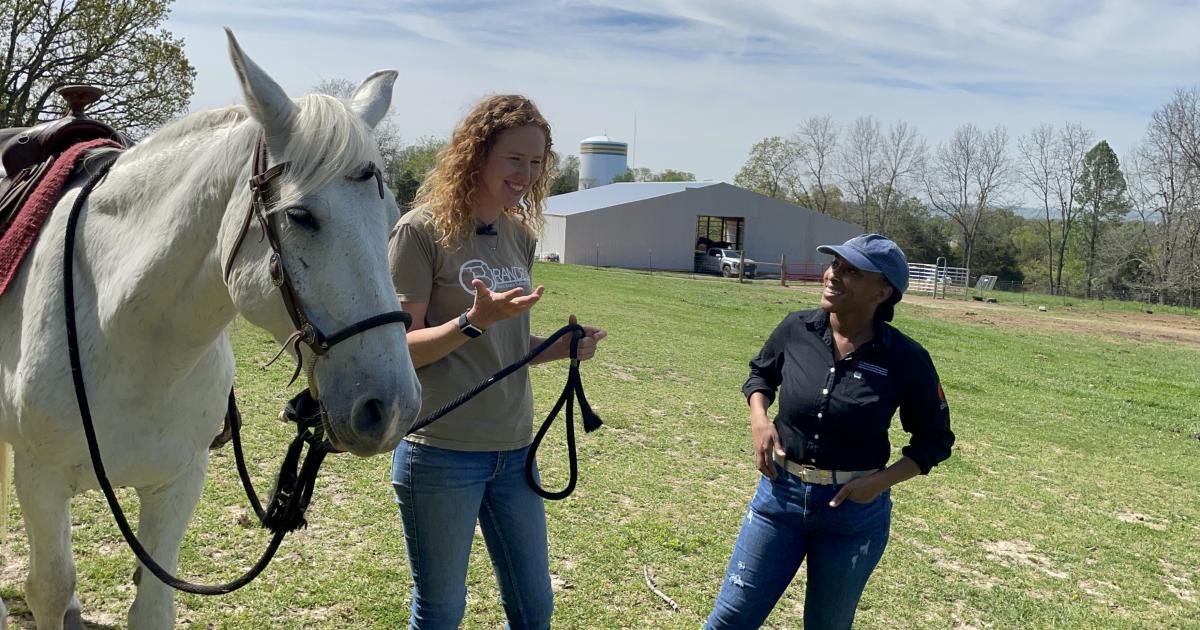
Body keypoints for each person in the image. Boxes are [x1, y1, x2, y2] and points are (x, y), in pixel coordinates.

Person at [387, 94, 606, 630]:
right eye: (514, 159)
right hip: (440, 451)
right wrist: (471, 322)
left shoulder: (520, 235)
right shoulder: (420, 232)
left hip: (514, 449)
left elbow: (504, 352)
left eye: (536, 162)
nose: (526, 174)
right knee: (441, 609)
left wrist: (557, 349)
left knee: (534, 606)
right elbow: (399, 351)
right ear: (477, 153)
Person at [705, 234, 955, 630]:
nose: (833, 275)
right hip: (779, 500)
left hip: (853, 516)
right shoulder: (796, 327)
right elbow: (760, 374)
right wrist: (759, 417)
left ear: (883, 291)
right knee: (730, 620)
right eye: (835, 265)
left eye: (851, 271)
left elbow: (935, 440)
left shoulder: (906, 359)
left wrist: (879, 483)